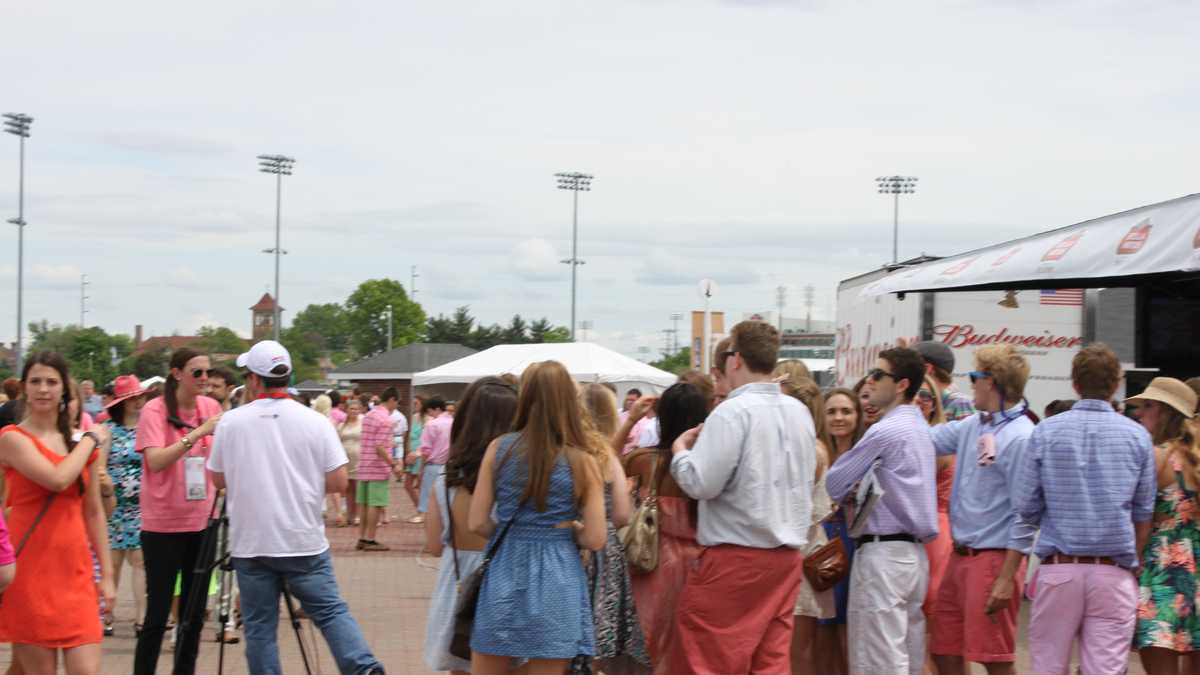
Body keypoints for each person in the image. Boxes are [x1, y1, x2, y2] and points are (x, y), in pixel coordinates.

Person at [207, 340, 383, 674]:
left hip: (253, 544)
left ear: (255, 379)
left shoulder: (231, 422)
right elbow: (339, 481)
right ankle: (362, 667)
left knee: (260, 627)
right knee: (330, 612)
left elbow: (217, 479)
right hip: (302, 539)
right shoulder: (315, 421)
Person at [668, 320, 816, 673]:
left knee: (708, 659)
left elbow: (701, 484)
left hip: (736, 556)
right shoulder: (798, 411)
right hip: (784, 555)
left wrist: (680, 452)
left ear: (735, 360)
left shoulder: (732, 411)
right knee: (770, 661)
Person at [1014, 343, 1156, 675]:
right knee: (1105, 669)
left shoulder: (1046, 431)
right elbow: (1144, 513)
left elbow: (1026, 507)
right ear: (1116, 384)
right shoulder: (1137, 436)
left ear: (1075, 384)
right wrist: (1133, 562)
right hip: (1113, 572)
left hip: (1060, 567)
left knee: (1048, 666)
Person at [468, 360, 607, 675]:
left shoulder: (499, 449)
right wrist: (570, 529)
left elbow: (477, 522)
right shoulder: (583, 460)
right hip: (559, 571)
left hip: (506, 565)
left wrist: (513, 531)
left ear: (525, 395)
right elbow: (596, 537)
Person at [0, 351, 115, 674]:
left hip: (76, 569)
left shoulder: (78, 445)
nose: (43, 389)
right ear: (24, 388)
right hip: (30, 570)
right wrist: (91, 440)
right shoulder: (11, 438)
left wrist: (107, 576)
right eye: (35, 381)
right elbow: (57, 479)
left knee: (86, 670)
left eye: (51, 382)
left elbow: (94, 513)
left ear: (64, 389)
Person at [826, 347, 939, 675]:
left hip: (884, 554)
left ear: (901, 384)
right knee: (906, 653)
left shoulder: (885, 430)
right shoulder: (919, 426)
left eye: (878, 374)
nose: (871, 381)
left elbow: (835, 482)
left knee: (880, 658)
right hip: (912, 554)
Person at [926, 345, 1036, 675]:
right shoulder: (975, 425)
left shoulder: (1020, 436)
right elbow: (927, 438)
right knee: (944, 650)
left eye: (975, 376)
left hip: (993, 558)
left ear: (992, 381)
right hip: (961, 555)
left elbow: (1025, 513)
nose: (971, 383)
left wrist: (1006, 577)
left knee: (994, 657)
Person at [133, 347, 222, 675]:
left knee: (193, 616)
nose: (204, 378)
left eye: (208, 372)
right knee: (157, 615)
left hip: (203, 521)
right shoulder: (154, 410)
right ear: (177, 373)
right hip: (163, 525)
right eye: (197, 372)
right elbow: (155, 461)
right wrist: (197, 433)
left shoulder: (211, 407)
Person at [423, 377, 517, 673]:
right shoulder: (516, 481)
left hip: (457, 584)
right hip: (507, 579)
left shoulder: (445, 479)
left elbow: (434, 546)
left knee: (459, 661)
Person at [624, 383, 709, 674]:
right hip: (701, 566)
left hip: (651, 562)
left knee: (648, 649)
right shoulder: (708, 466)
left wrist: (631, 420)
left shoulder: (644, 461)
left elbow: (605, 468)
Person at [1127, 377, 1200, 673]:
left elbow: (1136, 519)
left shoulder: (1157, 457)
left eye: (1148, 405)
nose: (1138, 412)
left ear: (1167, 412)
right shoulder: (1193, 459)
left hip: (1162, 574)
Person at [577, 383, 649, 673]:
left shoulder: (566, 452)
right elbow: (622, 514)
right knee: (599, 631)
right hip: (604, 550)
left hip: (567, 543)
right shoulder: (606, 457)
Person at [773, 367, 834, 675]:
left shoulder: (810, 449)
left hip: (803, 558)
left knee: (795, 652)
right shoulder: (809, 446)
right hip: (804, 554)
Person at [815, 387, 866, 675]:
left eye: (846, 411)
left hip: (855, 543)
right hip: (822, 543)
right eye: (832, 411)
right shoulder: (819, 451)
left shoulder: (867, 452)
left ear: (857, 416)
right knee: (823, 628)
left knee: (850, 627)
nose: (838, 417)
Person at [102, 375, 150, 638]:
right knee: (113, 562)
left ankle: (141, 618)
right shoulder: (108, 430)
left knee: (140, 561)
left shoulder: (149, 427)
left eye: (140, 397)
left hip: (142, 506)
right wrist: (104, 485)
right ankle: (106, 614)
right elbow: (99, 466)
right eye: (133, 398)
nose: (138, 402)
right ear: (122, 402)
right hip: (114, 506)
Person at [918, 375, 955, 623]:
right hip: (915, 530)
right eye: (914, 395)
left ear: (934, 404)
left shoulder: (940, 440)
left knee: (932, 604)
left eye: (925, 396)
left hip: (935, 531)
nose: (919, 401)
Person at [356, 387, 404, 551]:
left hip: (364, 464)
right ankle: (370, 539)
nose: (397, 406)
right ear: (392, 399)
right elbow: (380, 447)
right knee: (375, 504)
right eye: (397, 402)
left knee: (364, 504)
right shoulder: (385, 420)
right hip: (377, 467)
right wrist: (393, 465)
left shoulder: (368, 415)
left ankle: (362, 537)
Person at [913, 341, 976, 421]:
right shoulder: (920, 401)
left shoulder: (960, 403)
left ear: (927, 369)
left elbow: (968, 430)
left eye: (911, 367)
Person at [417, 397, 452, 520]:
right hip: (450, 467)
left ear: (437, 409)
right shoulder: (455, 423)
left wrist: (421, 468)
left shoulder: (431, 425)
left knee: (429, 502)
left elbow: (425, 450)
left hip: (433, 466)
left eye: (430, 411)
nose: (430, 415)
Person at [337, 398, 365, 528]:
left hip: (359, 458)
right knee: (348, 488)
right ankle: (350, 514)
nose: (354, 411)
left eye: (356, 409)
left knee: (358, 488)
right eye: (351, 408)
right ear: (347, 410)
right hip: (345, 459)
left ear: (360, 410)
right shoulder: (341, 425)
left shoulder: (363, 423)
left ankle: (358, 515)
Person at [403, 396, 427, 522]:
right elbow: (409, 436)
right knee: (407, 484)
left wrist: (418, 453)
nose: (414, 405)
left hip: (420, 454)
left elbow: (426, 439)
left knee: (421, 484)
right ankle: (419, 508)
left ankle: (423, 512)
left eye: (416, 403)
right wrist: (407, 452)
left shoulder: (427, 419)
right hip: (412, 453)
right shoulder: (414, 417)